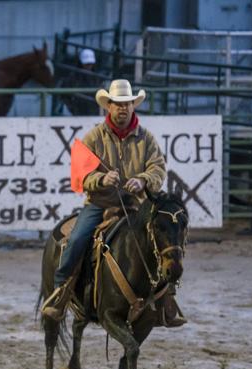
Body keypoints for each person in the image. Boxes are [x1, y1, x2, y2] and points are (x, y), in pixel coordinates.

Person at [42, 79, 185, 327]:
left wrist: (143, 180)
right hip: (100, 204)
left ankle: (166, 300)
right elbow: (80, 173)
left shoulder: (146, 139)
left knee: (166, 237)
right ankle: (60, 292)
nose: (123, 108)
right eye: (118, 104)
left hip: (137, 206)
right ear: (108, 106)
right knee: (76, 240)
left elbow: (158, 169)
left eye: (127, 103)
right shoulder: (94, 138)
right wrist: (101, 178)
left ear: (133, 106)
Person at [62, 48, 99, 116]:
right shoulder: (72, 78)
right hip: (76, 113)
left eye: (90, 63)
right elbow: (64, 96)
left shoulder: (96, 78)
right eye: (87, 63)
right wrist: (72, 108)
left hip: (93, 112)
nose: (89, 66)